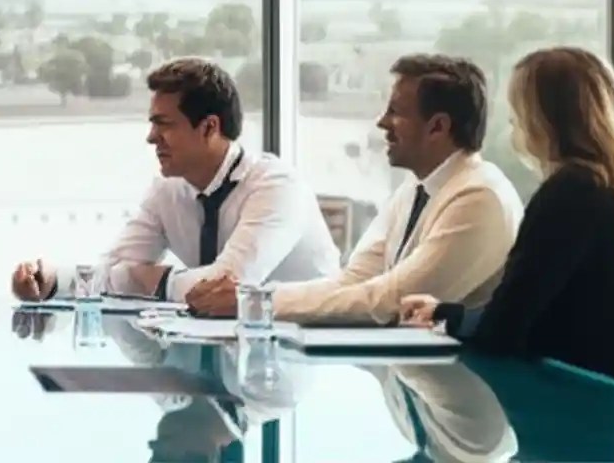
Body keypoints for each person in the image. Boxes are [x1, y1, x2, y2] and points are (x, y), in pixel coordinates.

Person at [188, 54, 524, 323]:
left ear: (438, 126)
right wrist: (252, 299)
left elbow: (392, 301)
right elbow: (354, 283)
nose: (381, 122)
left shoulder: (480, 197)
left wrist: (255, 302)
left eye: (395, 112)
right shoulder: (414, 190)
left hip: (467, 393)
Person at [401, 47, 614, 385]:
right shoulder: (604, 187)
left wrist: (447, 321)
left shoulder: (570, 193)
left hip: (572, 401)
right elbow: (530, 311)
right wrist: (444, 315)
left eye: (519, 112)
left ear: (543, 118)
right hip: (596, 392)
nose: (513, 123)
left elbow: (504, 329)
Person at [11, 57, 340, 303]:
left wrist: (156, 280)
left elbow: (226, 286)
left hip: (294, 362)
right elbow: (116, 268)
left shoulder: (277, 187)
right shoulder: (168, 190)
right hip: (222, 352)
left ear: (209, 127)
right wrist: (52, 280)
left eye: (163, 124)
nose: (151, 138)